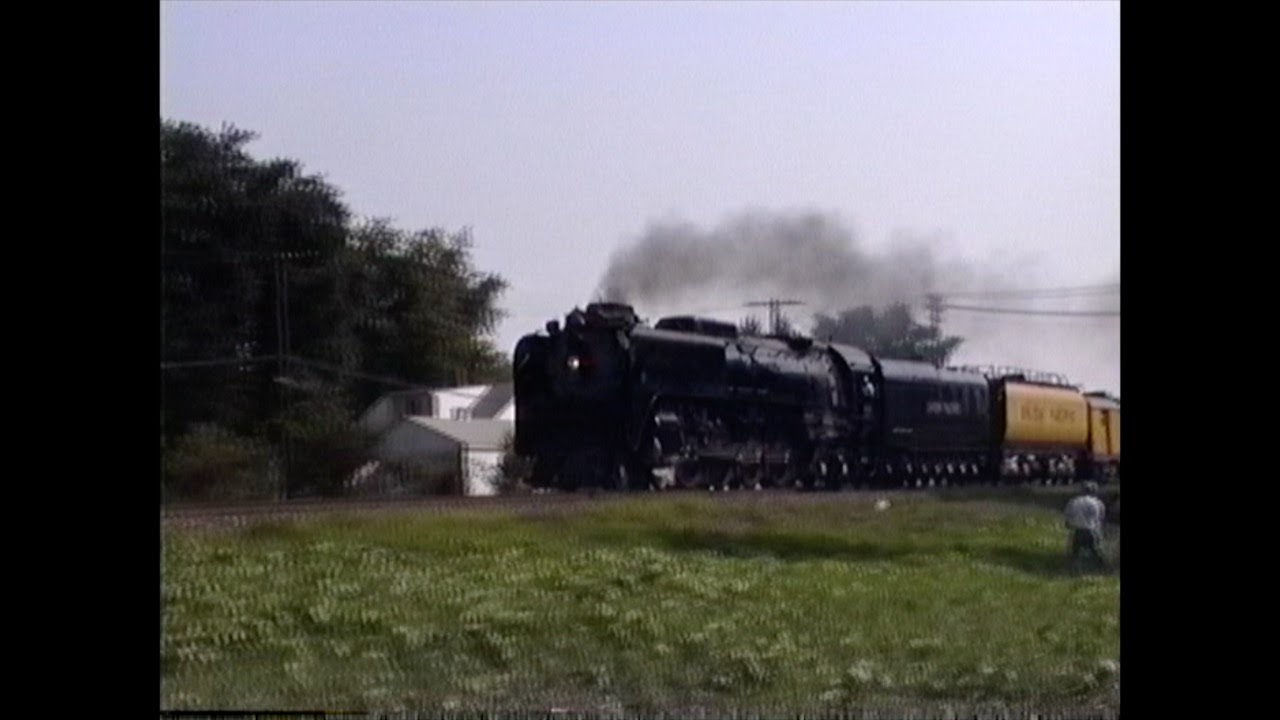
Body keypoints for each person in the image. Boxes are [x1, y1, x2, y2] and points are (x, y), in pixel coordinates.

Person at [1064, 481, 1108, 571]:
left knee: (1075, 552)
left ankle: (1072, 569)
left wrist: (1071, 524)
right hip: (1091, 530)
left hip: (1078, 531)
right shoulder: (1097, 503)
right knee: (1096, 551)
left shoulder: (1073, 502)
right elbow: (1100, 518)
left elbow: (1067, 519)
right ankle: (1102, 568)